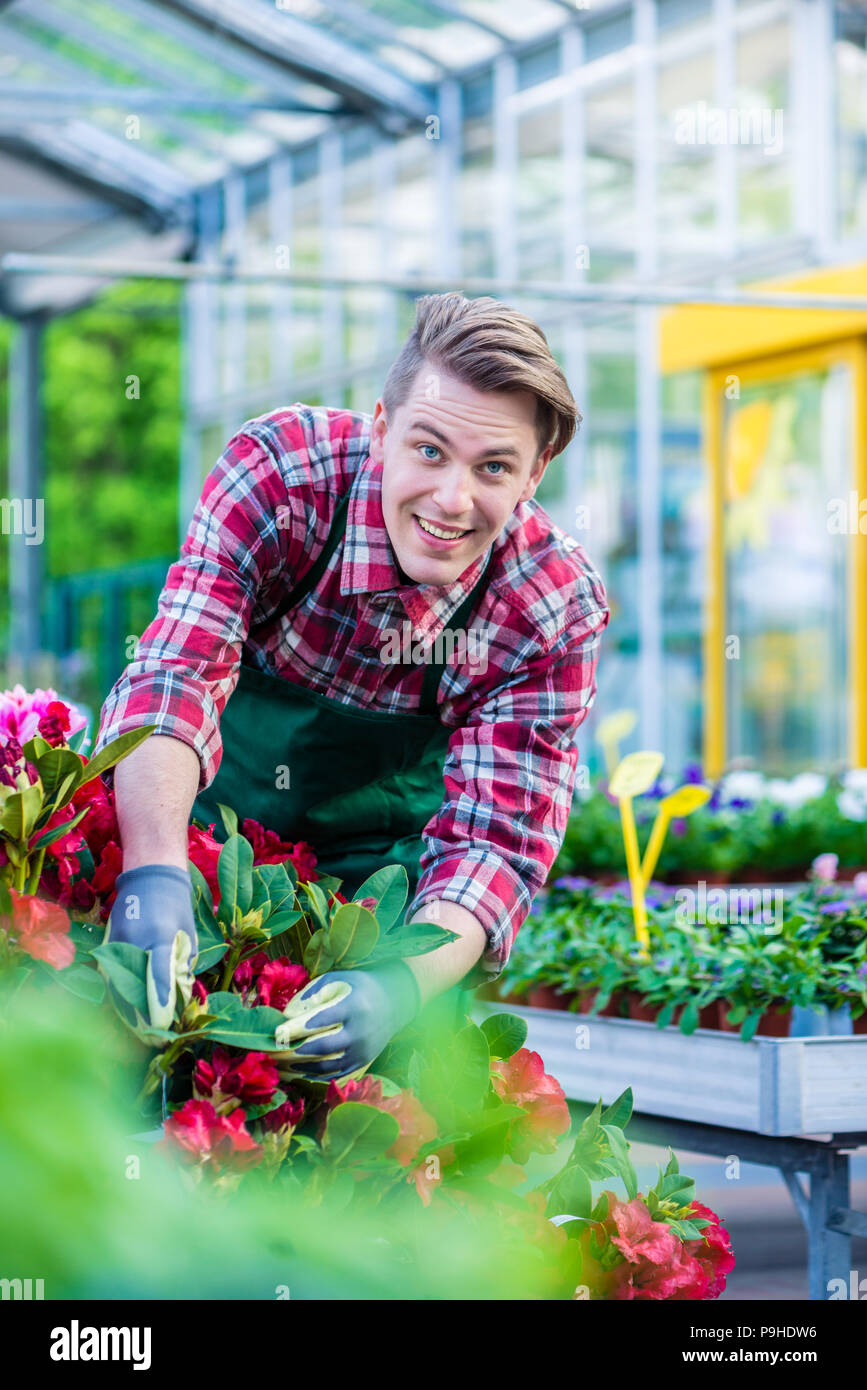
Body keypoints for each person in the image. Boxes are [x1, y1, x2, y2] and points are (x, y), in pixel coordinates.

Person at [93, 292, 610, 1078]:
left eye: (493, 467)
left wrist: (400, 986)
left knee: (375, 1144)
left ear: (536, 472)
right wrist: (153, 866)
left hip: (387, 886)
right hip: (204, 829)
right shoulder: (282, 476)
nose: (451, 500)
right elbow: (178, 673)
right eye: (429, 450)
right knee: (142, 1085)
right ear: (380, 427)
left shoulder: (548, 603)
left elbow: (495, 842)